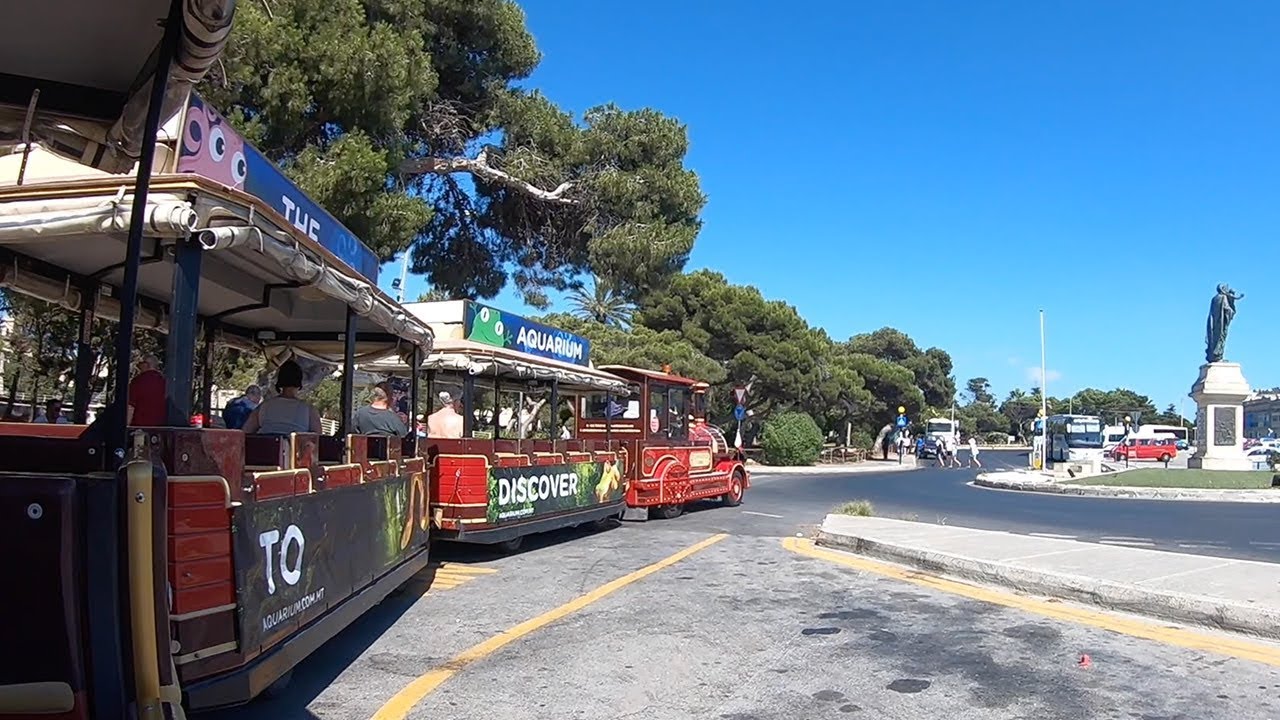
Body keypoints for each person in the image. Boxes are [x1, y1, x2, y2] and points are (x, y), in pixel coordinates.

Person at [241, 360, 322, 435]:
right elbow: (318, 438)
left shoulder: (264, 406)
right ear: (299, 383)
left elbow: (246, 431)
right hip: (294, 449)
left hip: (265, 448)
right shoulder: (309, 410)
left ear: (279, 381)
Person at [128, 354, 166, 426]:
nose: (138, 366)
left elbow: (130, 406)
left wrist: (126, 427)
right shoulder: (165, 382)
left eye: (140, 363)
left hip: (139, 428)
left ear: (146, 365)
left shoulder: (138, 381)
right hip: (161, 429)